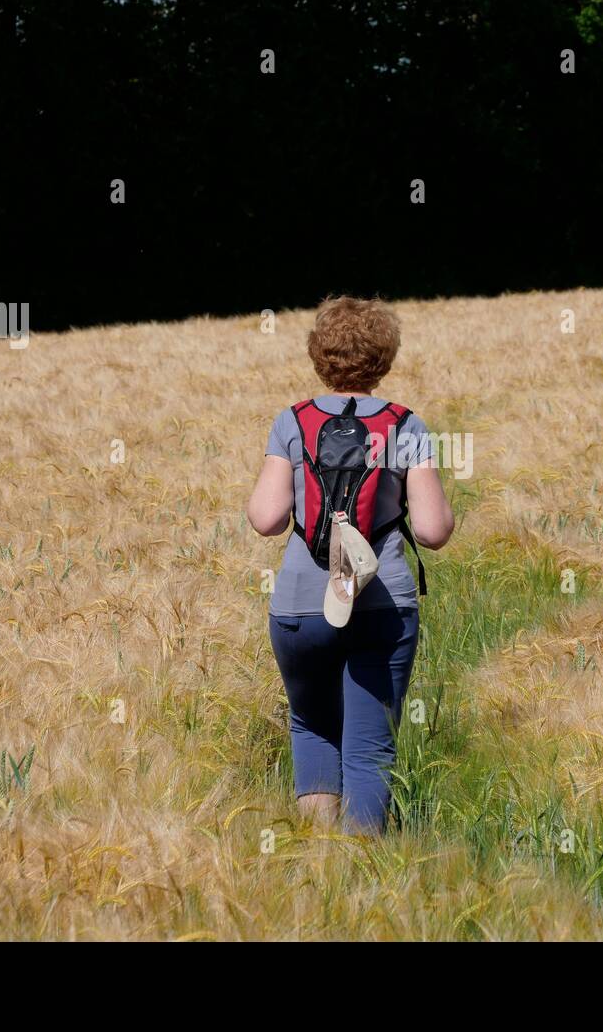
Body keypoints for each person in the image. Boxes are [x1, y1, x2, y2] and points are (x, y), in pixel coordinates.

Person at [247, 296, 454, 833]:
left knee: (312, 726)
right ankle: (363, 876)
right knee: (369, 748)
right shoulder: (406, 425)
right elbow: (432, 532)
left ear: (320, 355)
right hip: (381, 604)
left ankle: (318, 869)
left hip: (300, 606)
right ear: (384, 358)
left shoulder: (290, 422)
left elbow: (267, 519)